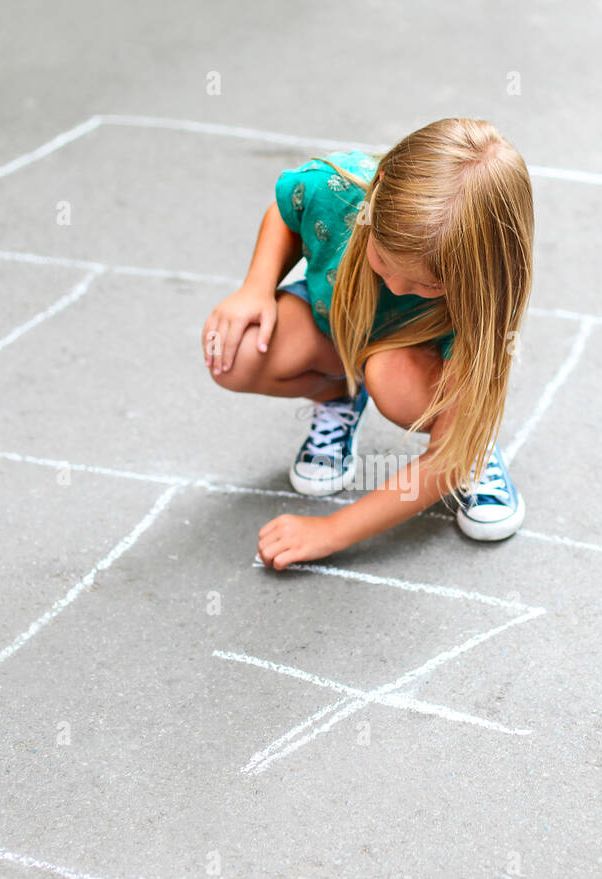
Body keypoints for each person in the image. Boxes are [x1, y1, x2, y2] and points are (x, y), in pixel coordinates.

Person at [201, 117, 534, 570]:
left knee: (393, 383)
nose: (395, 287)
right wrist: (256, 287)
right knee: (236, 352)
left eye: (426, 285)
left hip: (413, 357)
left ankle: (470, 438)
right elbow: (286, 211)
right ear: (372, 204)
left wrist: (330, 532)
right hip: (336, 322)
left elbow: (440, 466)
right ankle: (337, 395)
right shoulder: (336, 187)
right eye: (382, 259)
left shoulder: (482, 300)